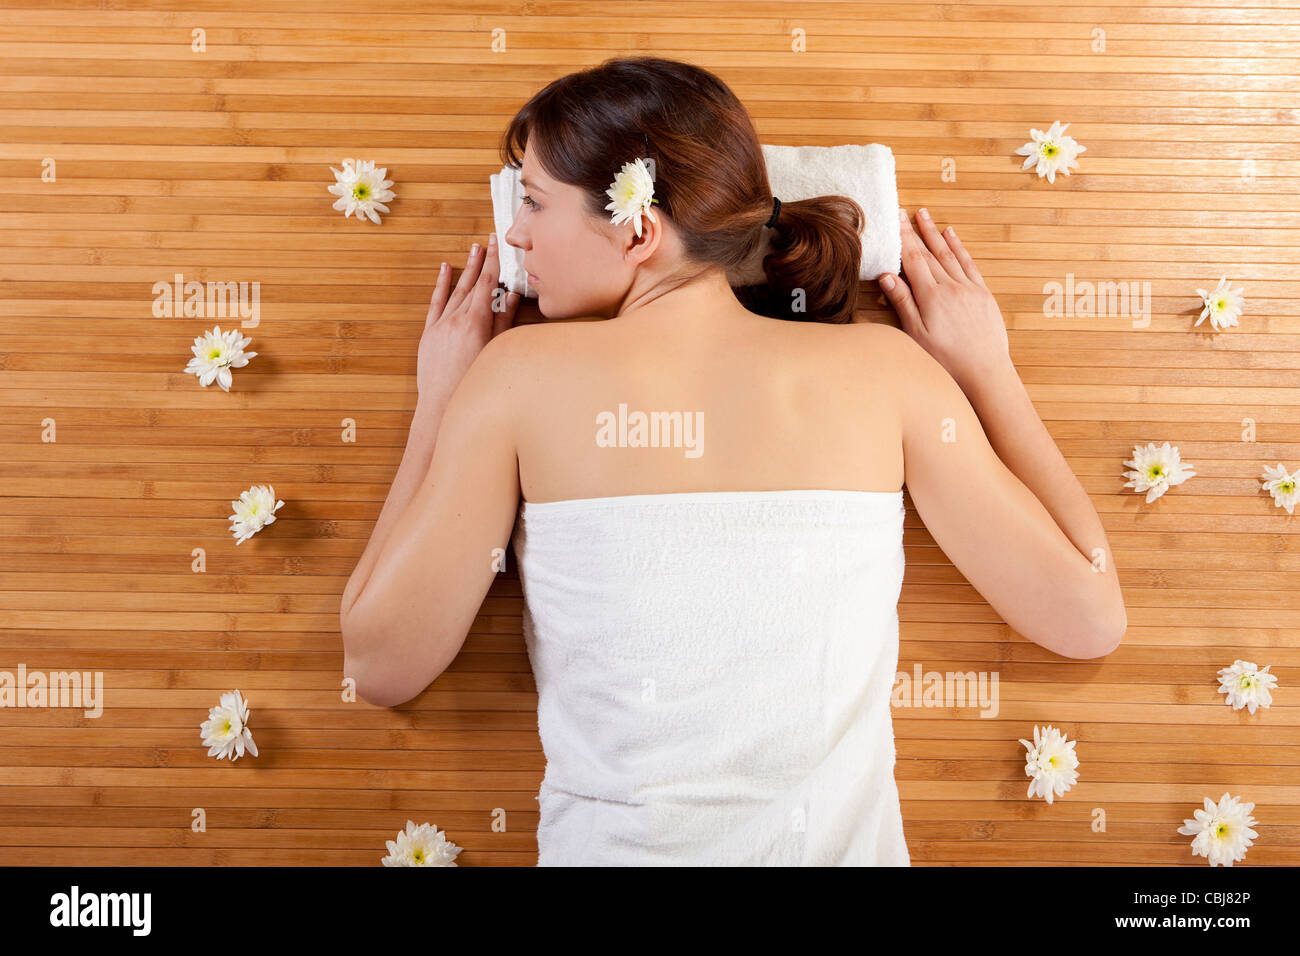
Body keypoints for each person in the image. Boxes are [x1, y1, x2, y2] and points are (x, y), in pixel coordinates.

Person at [339, 56, 1127, 865]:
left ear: (638, 228)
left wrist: (439, 399)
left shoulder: (515, 383)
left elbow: (379, 665)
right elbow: (1088, 617)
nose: (514, 232)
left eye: (535, 201)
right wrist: (988, 372)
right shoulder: (886, 374)